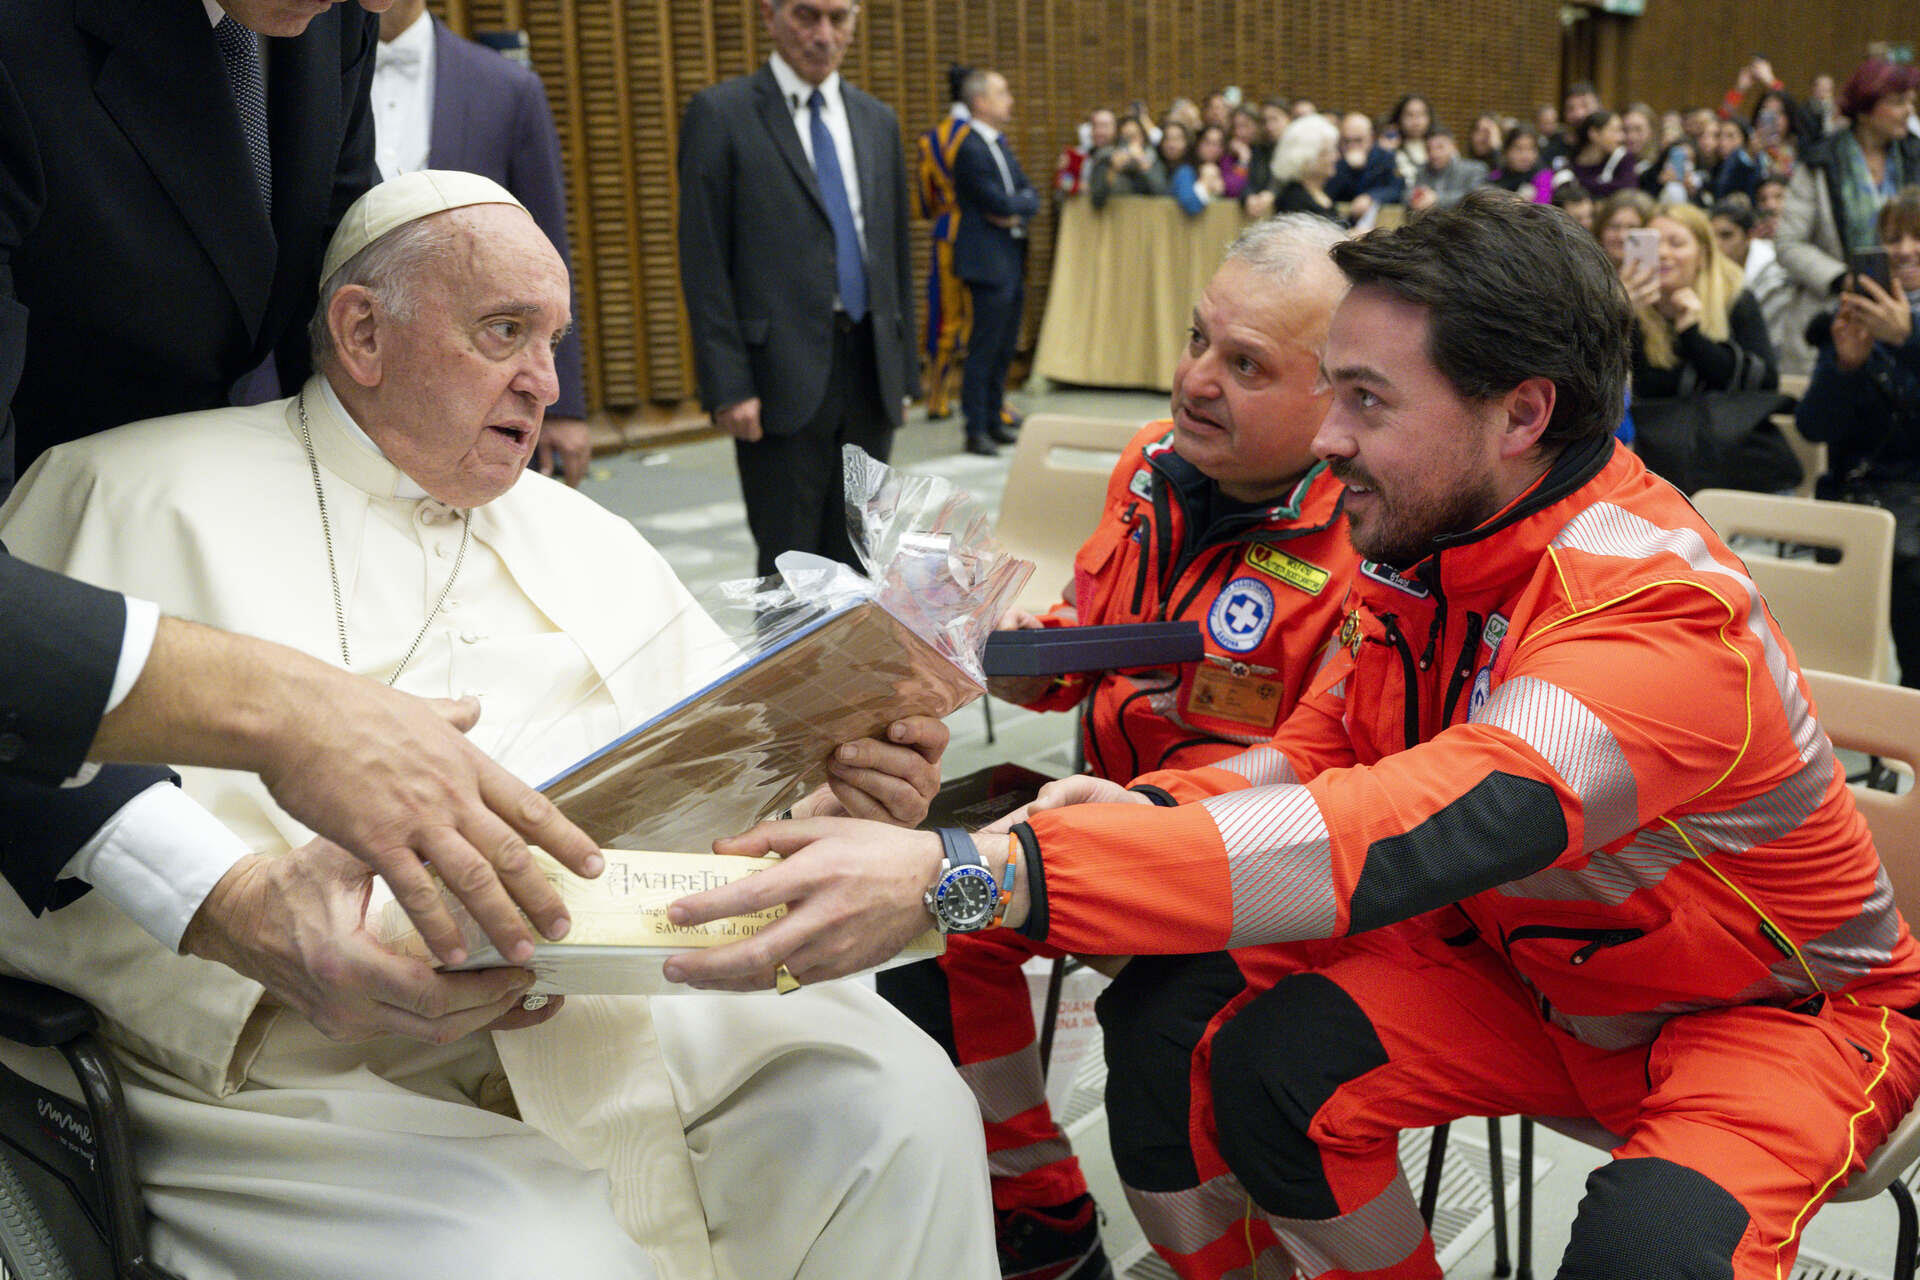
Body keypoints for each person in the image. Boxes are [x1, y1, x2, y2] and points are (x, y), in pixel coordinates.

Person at [663, 189, 1920, 1280]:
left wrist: (976, 871)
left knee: (1648, 1249)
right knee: (1260, 1070)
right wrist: (1142, 810)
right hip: (1533, 976)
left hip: (1769, 1014)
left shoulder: (1653, 610)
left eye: (1364, 398)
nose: (1329, 437)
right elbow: (1309, 758)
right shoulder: (1432, 542)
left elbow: (1405, 827)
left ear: (1521, 415)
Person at [0, 171, 994, 1280]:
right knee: (537, 1258)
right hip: (315, 1058)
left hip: (644, 1016)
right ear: (362, 333)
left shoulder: (586, 533)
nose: (544, 381)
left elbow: (720, 796)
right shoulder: (127, 491)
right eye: (504, 332)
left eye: (553, 341)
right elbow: (43, 825)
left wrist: (826, 804)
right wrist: (279, 933)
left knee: (902, 1115)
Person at [879, 217, 1359, 1280]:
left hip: (1265, 866)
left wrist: (1143, 819)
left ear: (1337, 396)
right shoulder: (1151, 466)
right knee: (929, 897)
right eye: (1196, 339)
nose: (1194, 380)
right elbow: (1093, 639)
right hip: (1108, 822)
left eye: (1245, 366)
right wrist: (1012, 656)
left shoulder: (1368, 533)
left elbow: (1330, 778)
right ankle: (1037, 1203)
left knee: (1166, 1046)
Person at [0, 0, 384, 497]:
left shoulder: (341, 13)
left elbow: (335, 256)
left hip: (217, 489)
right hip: (40, 497)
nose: (380, 3)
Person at [677, 0, 916, 577]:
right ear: (770, 15)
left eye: (839, 18)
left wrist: (905, 372)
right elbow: (704, 260)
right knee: (790, 566)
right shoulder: (722, 113)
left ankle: (852, 646)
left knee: (861, 556)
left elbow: (894, 252)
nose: (824, 35)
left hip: (870, 370)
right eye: (807, 16)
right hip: (777, 374)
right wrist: (728, 383)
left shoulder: (878, 120)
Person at [369, 0, 592, 485]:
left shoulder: (507, 86)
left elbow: (547, 248)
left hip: (477, 383)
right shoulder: (295, 73)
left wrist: (564, 407)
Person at [1796, 187, 1920, 689]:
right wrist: (1844, 367)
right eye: (1892, 238)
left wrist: (1907, 339)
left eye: (1918, 237)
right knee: (1834, 665)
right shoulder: (1854, 318)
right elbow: (1814, 428)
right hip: (1856, 504)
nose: (1905, 249)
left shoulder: (1901, 333)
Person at [1776, 57, 1920, 374]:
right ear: (1866, 109)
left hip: (1911, 312)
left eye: (1911, 102)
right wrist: (1844, 279)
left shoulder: (1915, 156)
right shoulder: (1820, 162)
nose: (1909, 111)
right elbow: (1788, 244)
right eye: (1898, 102)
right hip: (1833, 311)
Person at [953, 68, 1039, 458]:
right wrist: (1014, 207)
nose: (1011, 100)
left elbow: (1028, 195)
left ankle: (993, 418)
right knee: (985, 347)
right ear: (980, 102)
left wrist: (1016, 210)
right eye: (1002, 93)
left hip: (1009, 256)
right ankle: (975, 429)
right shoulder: (970, 148)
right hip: (987, 262)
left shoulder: (998, 144)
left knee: (1004, 346)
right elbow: (998, 203)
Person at [1631, 202, 1778, 400]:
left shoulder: (1736, 299)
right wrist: (1623, 318)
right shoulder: (1630, 307)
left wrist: (1692, 335)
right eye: (1653, 244)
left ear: (1703, 254)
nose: (1662, 253)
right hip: (1649, 419)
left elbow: (1765, 383)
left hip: (1721, 419)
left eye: (1676, 244)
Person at [917, 65, 977, 421]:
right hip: (982, 235)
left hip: (945, 234)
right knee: (985, 317)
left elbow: (924, 202)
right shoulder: (979, 136)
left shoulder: (931, 140)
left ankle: (937, 396)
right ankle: (987, 400)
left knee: (944, 315)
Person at [1247, 113, 1341, 223]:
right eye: (1327, 152)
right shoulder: (1293, 199)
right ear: (1307, 158)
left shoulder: (1324, 191)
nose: (1336, 156)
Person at [1325, 111, 1406, 218]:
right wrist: (1345, 167)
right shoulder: (1334, 158)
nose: (1352, 146)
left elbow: (1396, 189)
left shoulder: (1385, 157)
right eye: (1346, 141)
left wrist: (1371, 197)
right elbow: (1327, 193)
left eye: (1358, 140)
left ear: (1371, 138)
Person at [1089, 114, 1168, 209]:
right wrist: (1113, 170)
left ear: (1143, 137)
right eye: (1126, 137)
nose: (1130, 143)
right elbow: (1096, 199)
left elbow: (1162, 193)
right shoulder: (1105, 158)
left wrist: (1143, 164)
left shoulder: (1152, 158)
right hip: (1115, 214)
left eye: (1134, 136)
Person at [1560, 109, 1639, 198]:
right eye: (1615, 131)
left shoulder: (1624, 158)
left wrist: (1578, 184)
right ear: (1594, 134)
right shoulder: (1569, 160)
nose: (1622, 137)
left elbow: (1627, 190)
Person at [1408, 128, 1487, 211]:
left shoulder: (1475, 168)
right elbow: (1407, 195)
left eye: (1440, 147)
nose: (1434, 153)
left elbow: (1476, 197)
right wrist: (1417, 198)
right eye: (1429, 149)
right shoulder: (1422, 170)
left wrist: (1436, 199)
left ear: (1453, 147)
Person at [1386, 93, 1435, 187]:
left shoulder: (1439, 145)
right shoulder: (1390, 148)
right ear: (1399, 118)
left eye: (1421, 114)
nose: (1416, 121)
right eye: (1409, 115)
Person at [1487, 126, 1543, 194]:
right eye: (1518, 149)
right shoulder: (1495, 177)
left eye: (1530, 149)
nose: (1525, 156)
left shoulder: (1542, 177)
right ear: (1506, 151)